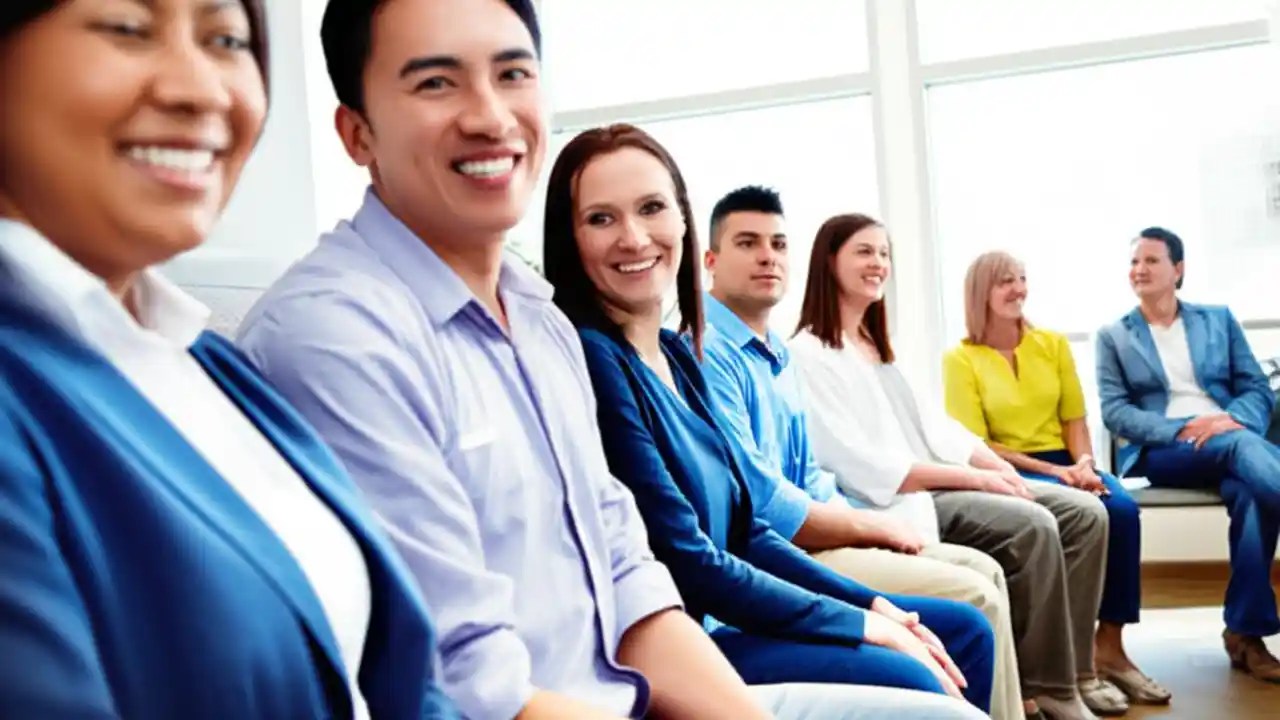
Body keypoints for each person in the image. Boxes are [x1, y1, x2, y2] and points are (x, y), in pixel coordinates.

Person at [238, 2, 923, 718]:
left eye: (512, 74)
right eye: (436, 82)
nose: (490, 116)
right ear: (357, 133)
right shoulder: (333, 337)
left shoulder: (540, 321)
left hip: (629, 693)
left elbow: (629, 576)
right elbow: (471, 685)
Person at [0, 2, 456, 718]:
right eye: (127, 28)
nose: (202, 89)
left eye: (226, 39)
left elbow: (394, 681)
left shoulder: (206, 361)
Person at [542, 122, 996, 719]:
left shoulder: (678, 354)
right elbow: (691, 561)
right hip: (684, 649)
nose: (633, 237)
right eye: (601, 218)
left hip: (725, 614)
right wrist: (858, 623)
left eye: (651, 208)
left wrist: (872, 606)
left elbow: (745, 529)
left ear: (682, 220)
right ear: (571, 239)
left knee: (964, 631)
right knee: (913, 671)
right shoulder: (595, 359)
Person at [698, 186, 1021, 720]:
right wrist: (868, 527)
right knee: (973, 597)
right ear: (711, 260)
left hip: (813, 536)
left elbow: (809, 475)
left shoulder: (775, 354)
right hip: (776, 557)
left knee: (981, 578)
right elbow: (761, 502)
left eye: (778, 244)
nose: (767, 256)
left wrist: (864, 524)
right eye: (747, 243)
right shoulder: (707, 352)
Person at [789, 213, 1119, 720]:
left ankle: (1067, 674)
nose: (879, 263)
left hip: (937, 482)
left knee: (1085, 513)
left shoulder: (877, 345)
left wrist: (1005, 472)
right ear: (829, 261)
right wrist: (979, 478)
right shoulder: (809, 354)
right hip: (899, 500)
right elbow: (869, 469)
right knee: (1032, 524)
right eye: (864, 251)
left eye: (884, 253)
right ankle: (1047, 686)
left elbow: (945, 432)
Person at [943, 250, 1167, 706]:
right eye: (1005, 281)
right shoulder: (960, 359)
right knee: (1064, 522)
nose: (1018, 289)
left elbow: (1075, 420)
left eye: (1021, 278)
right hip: (1007, 468)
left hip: (1067, 461)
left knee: (1121, 511)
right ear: (980, 293)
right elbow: (977, 445)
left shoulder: (1052, 344)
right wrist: (1055, 472)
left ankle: (1109, 649)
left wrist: (1083, 464)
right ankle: (1072, 668)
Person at [1097, 226, 1280, 684]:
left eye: (1151, 260)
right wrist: (1182, 428)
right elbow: (1115, 411)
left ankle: (1245, 634)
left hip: (1232, 442)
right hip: (1165, 450)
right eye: (1134, 261)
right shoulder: (1114, 335)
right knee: (1242, 446)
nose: (1139, 269)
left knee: (1252, 496)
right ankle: (1247, 634)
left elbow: (1257, 389)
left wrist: (1227, 420)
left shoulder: (1217, 320)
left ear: (1177, 270)